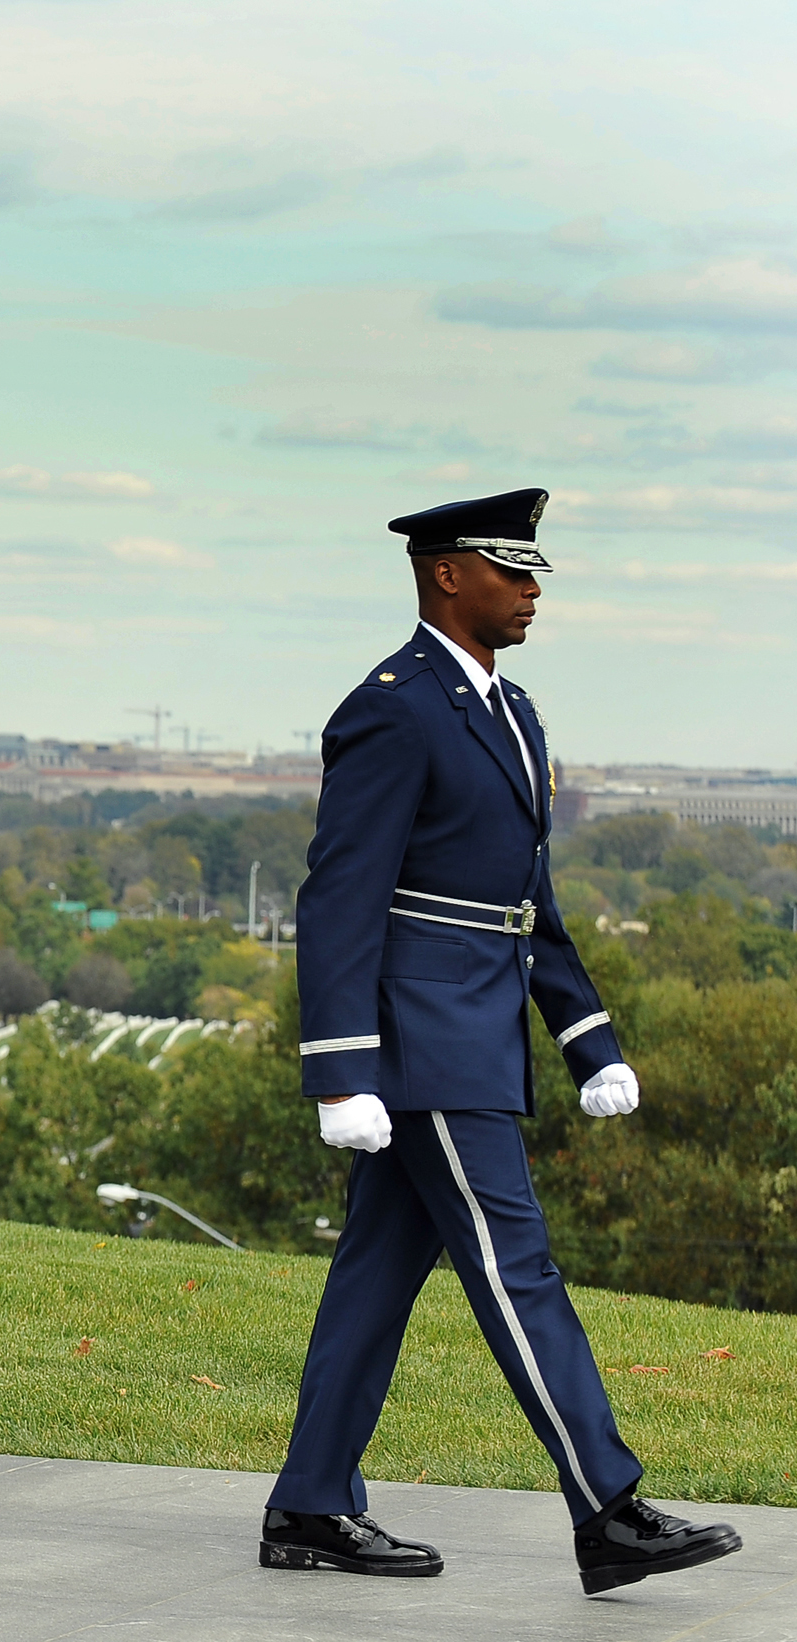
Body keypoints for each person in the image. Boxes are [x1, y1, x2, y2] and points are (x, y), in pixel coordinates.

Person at [263, 489, 742, 1595]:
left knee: (373, 1280)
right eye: (510, 571)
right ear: (445, 575)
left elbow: (525, 897)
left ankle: (310, 1502)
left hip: (478, 1031)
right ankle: (608, 1508)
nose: (531, 592)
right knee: (517, 1267)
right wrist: (340, 1069)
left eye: (534, 574)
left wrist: (587, 1036)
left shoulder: (511, 709)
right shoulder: (393, 707)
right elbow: (341, 894)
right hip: (422, 1050)